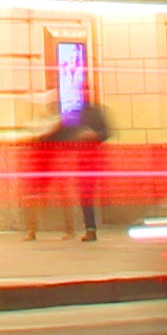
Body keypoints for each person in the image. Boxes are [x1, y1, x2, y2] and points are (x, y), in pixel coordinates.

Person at [72, 94, 113, 242]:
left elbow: (107, 133)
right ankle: (90, 228)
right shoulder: (77, 115)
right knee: (85, 194)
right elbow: (70, 135)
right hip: (82, 159)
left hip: (93, 159)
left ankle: (91, 229)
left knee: (86, 193)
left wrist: (94, 135)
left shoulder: (96, 113)